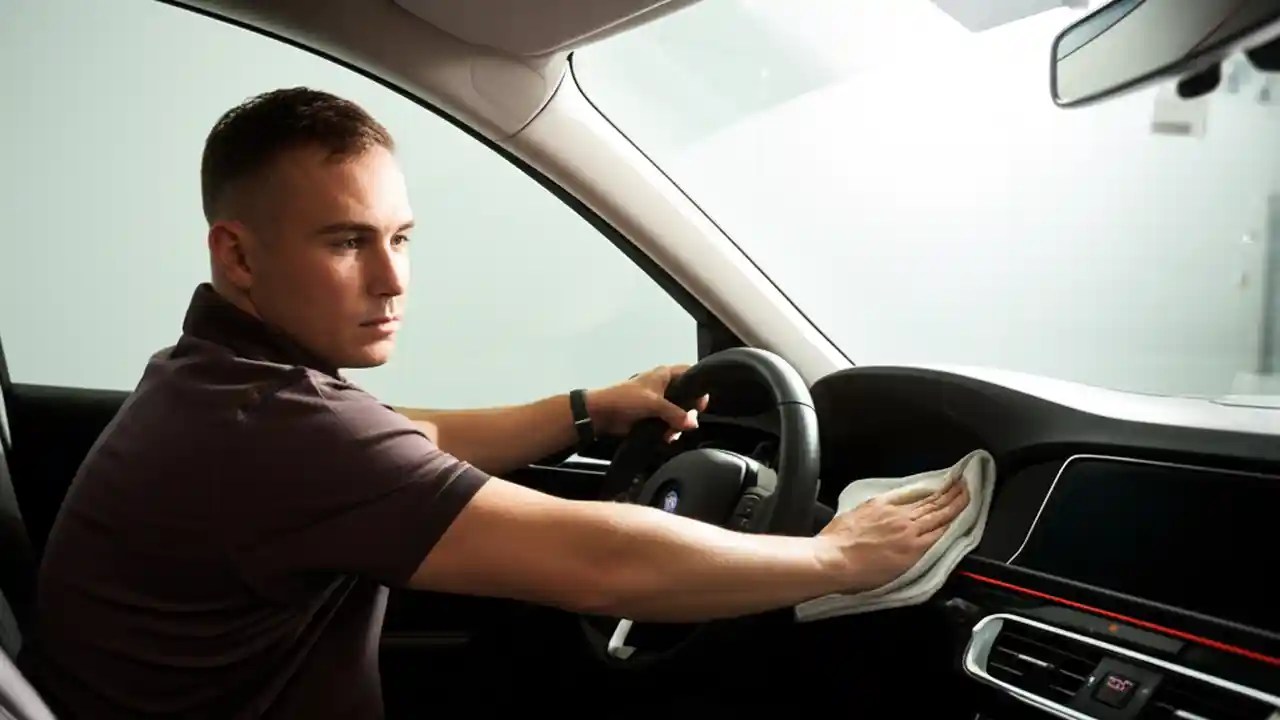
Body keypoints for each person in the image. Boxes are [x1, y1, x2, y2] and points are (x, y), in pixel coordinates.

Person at [23, 87, 969, 719]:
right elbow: (599, 564)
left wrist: (585, 411)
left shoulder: (215, 379)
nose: (393, 279)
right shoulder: (273, 430)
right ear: (237, 255)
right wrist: (835, 556)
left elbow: (404, 440)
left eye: (401, 237)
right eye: (347, 242)